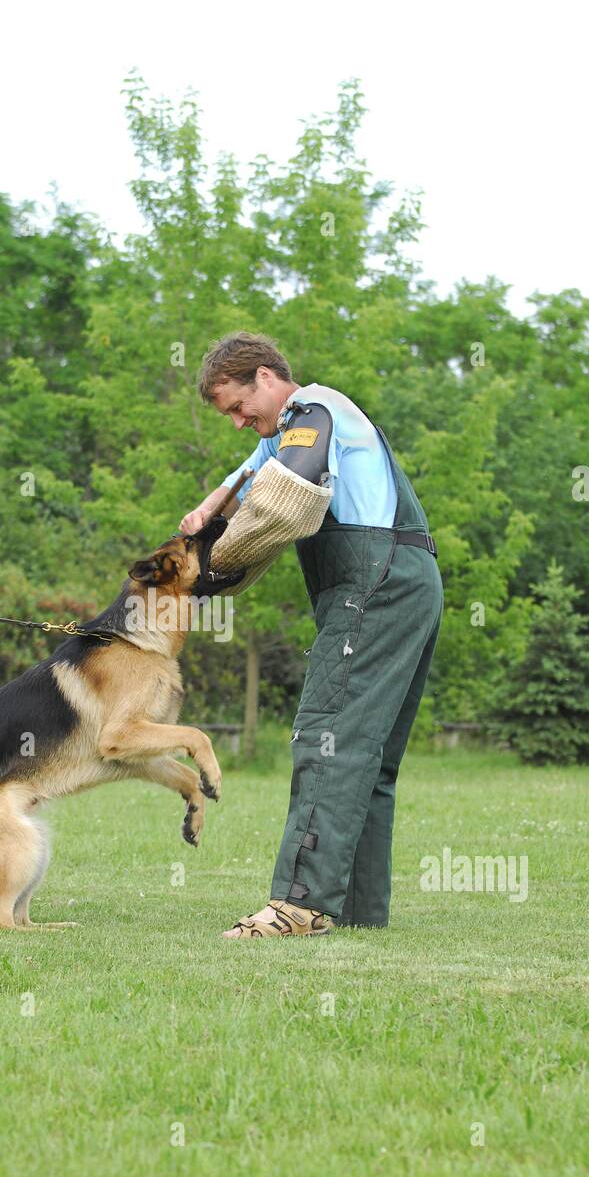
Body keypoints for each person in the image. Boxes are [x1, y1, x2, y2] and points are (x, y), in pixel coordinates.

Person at [180, 331, 443, 940]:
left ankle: (298, 905)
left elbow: (281, 494)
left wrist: (209, 569)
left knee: (328, 734)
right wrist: (209, 508)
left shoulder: (314, 410)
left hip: (370, 581)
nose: (240, 422)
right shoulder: (299, 425)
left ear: (266, 377)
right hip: (405, 579)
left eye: (237, 407)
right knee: (368, 755)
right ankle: (354, 909)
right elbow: (248, 475)